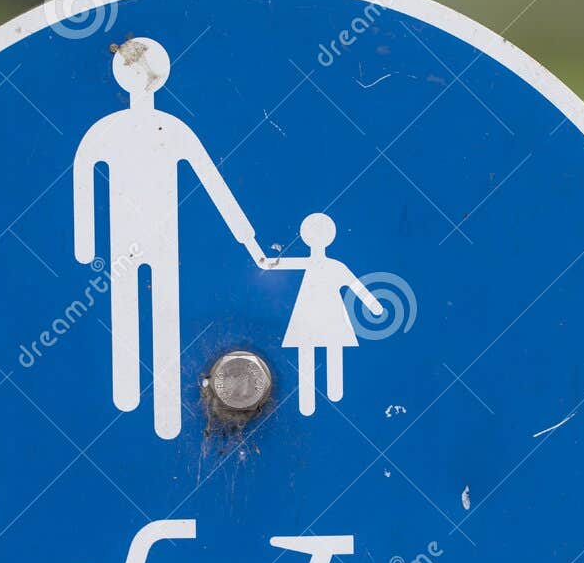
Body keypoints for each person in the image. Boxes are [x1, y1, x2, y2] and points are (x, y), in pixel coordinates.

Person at [72, 37, 264, 440]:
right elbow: (83, 176)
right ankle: (132, 401)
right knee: (132, 307)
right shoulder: (114, 130)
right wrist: (84, 244)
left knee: (159, 312)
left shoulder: (165, 129)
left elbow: (211, 180)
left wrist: (245, 235)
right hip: (128, 237)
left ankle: (162, 412)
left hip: (160, 237)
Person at [261, 213, 383, 415]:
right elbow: (270, 263)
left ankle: (328, 396)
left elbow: (355, 286)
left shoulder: (335, 266)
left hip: (325, 313)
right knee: (311, 349)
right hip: (312, 313)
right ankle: (311, 402)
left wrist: (374, 305)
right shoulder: (329, 265)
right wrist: (375, 307)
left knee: (324, 348)